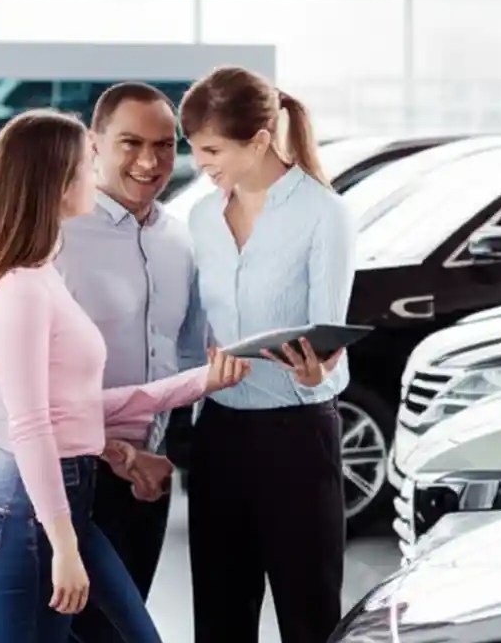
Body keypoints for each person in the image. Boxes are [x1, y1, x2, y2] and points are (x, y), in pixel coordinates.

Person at [0, 108, 250, 643]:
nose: (95, 175)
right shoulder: (21, 290)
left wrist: (202, 382)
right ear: (54, 179)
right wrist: (65, 547)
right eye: (85, 162)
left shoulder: (42, 275)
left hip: (63, 505)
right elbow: (30, 426)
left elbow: (79, 405)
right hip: (30, 517)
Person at [178, 66, 356, 643]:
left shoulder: (323, 213)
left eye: (211, 150)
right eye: (195, 149)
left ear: (257, 140)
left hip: (297, 439)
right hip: (220, 436)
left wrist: (314, 373)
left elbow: (329, 339)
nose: (201, 163)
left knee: (307, 614)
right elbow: (197, 325)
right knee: (220, 615)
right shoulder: (203, 218)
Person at [59, 83, 200, 643]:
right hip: (75, 472)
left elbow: (186, 354)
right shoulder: (59, 234)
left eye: (164, 145)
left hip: (148, 473)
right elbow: (15, 380)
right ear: (95, 143)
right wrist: (108, 451)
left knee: (120, 619)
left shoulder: (180, 239)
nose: (150, 161)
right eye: (131, 143)